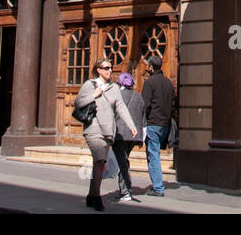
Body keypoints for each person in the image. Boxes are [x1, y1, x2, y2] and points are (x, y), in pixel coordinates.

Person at [73, 58, 137, 210]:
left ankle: (90, 195)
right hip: (93, 130)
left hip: (108, 131)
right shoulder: (90, 85)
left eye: (111, 68)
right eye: (106, 67)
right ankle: (96, 198)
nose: (110, 70)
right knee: (100, 160)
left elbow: (121, 108)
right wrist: (93, 95)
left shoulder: (114, 88)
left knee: (99, 164)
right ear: (99, 70)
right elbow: (78, 103)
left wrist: (131, 126)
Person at [141, 54, 174, 196]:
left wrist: (142, 122)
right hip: (165, 124)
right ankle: (157, 184)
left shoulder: (149, 83)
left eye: (147, 66)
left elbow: (145, 104)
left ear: (150, 67)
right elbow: (173, 103)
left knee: (153, 154)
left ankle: (158, 188)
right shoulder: (168, 83)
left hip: (153, 123)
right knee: (155, 153)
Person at [111, 71, 146, 202]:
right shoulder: (138, 96)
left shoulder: (117, 95)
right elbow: (143, 117)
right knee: (123, 160)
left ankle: (126, 191)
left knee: (122, 162)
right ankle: (124, 190)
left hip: (120, 134)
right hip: (133, 135)